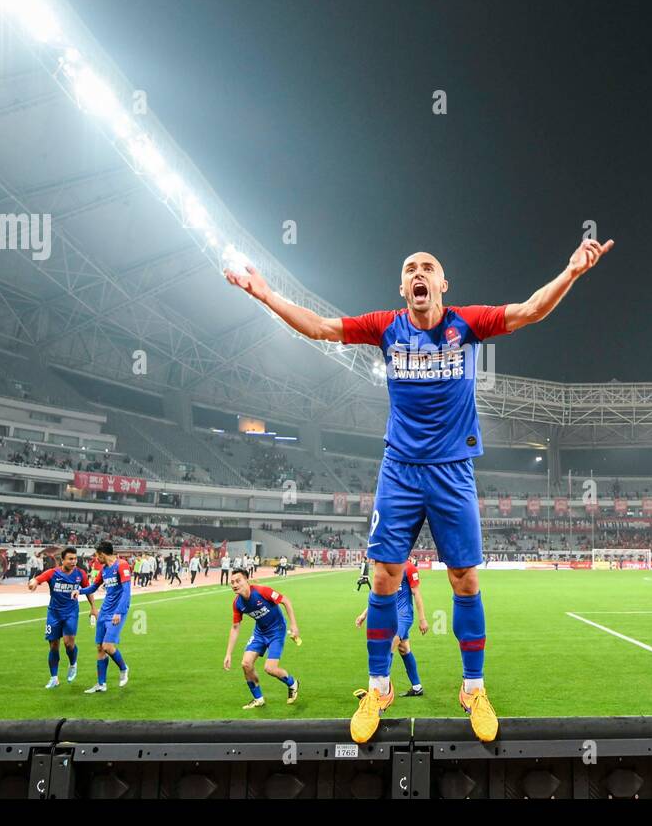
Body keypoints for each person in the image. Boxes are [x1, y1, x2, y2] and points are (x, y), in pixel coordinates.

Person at [226, 239, 614, 743]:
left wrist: (571, 272)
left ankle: (473, 688)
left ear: (442, 285)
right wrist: (263, 292)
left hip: (453, 470)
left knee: (465, 581)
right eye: (410, 268)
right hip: (400, 470)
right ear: (403, 287)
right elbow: (320, 327)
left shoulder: (467, 323)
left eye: (428, 267)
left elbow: (528, 311)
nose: (418, 273)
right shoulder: (386, 327)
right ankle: (378, 687)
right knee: (385, 578)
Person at [223, 567, 299, 709]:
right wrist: (228, 654)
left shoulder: (262, 591)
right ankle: (258, 699)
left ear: (247, 580)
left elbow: (286, 601)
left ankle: (293, 683)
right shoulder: (237, 603)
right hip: (260, 632)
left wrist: (294, 625)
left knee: (270, 668)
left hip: (277, 631)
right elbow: (235, 627)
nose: (234, 585)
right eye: (232, 582)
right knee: (246, 664)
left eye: (238, 581)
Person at [355, 559, 429, 696]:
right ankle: (417, 687)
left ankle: (378, 691)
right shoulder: (388, 568)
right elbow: (379, 597)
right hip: (390, 616)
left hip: (404, 616)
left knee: (387, 648)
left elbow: (416, 593)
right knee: (404, 649)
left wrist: (422, 619)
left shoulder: (409, 567)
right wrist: (363, 615)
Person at [28, 546, 96, 687]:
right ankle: (54, 678)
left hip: (71, 613)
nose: (74, 561)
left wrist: (93, 607)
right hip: (53, 613)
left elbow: (89, 590)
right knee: (53, 645)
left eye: (75, 559)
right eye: (70, 559)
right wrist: (33, 582)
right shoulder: (53, 573)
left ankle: (73, 664)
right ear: (62, 560)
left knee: (68, 644)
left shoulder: (80, 574)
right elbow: (38, 579)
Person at [77, 541, 132, 693]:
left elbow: (127, 592)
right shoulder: (104, 570)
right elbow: (93, 587)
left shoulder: (122, 565)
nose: (96, 558)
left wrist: (119, 612)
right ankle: (101, 684)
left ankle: (124, 668)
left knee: (108, 646)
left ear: (102, 554)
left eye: (96, 555)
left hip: (116, 612)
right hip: (105, 611)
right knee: (100, 647)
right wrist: (78, 591)